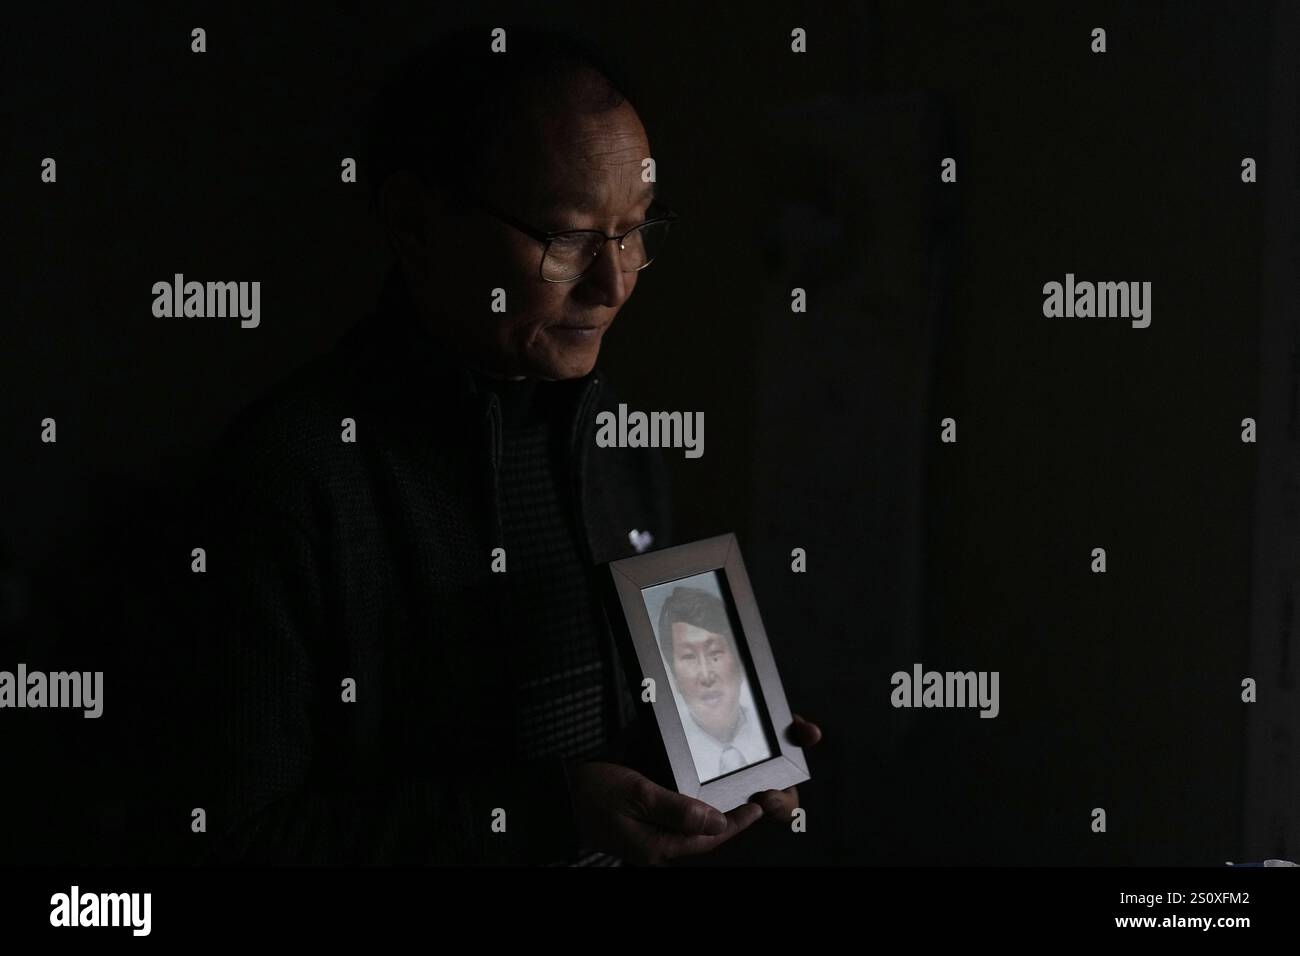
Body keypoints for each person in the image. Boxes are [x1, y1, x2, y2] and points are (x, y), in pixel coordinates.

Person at [181, 25, 821, 867]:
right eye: (569, 239)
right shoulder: (291, 476)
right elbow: (231, 838)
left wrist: (711, 756)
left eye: (634, 231)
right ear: (415, 221)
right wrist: (540, 818)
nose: (616, 283)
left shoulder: (616, 440)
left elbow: (597, 735)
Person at [657, 586, 772, 781]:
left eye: (715, 653)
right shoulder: (667, 760)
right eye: (688, 656)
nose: (706, 675)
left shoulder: (772, 731)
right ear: (674, 678)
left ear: (740, 664)